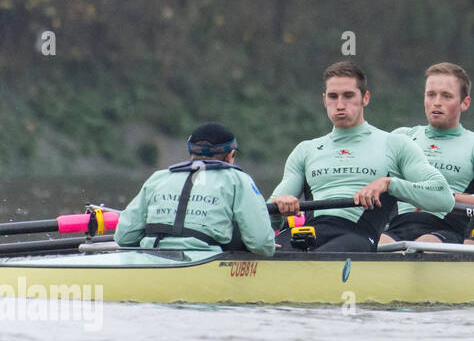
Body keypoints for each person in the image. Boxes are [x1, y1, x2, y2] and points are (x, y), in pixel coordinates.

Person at [269, 62, 454, 252]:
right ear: (324, 100)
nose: (340, 105)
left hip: (357, 236)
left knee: (320, 259)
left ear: (365, 98)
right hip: (308, 233)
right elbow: (265, 216)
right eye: (333, 97)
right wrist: (279, 207)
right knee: (253, 249)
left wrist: (390, 184)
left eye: (348, 96)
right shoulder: (306, 150)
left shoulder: (395, 144)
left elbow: (443, 198)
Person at [381, 62, 474, 245]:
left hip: (446, 231)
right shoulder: (402, 137)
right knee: (377, 245)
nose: (437, 102)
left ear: (465, 103)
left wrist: (443, 199)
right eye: (431, 95)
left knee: (425, 244)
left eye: (446, 96)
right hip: (397, 229)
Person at [114, 122, 276, 255]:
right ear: (230, 155)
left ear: (190, 152)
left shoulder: (159, 177)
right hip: (205, 263)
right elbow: (261, 243)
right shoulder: (238, 179)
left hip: (151, 256)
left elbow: (124, 236)